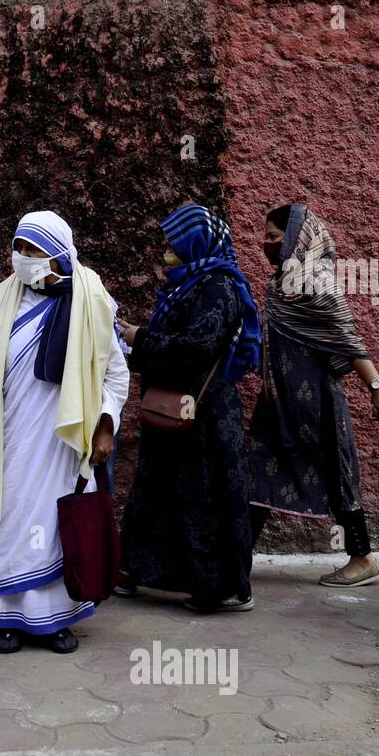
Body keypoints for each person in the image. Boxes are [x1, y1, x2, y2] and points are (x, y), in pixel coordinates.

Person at [0, 211, 128, 654]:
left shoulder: (92, 300)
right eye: (17, 248)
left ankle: (54, 621)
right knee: (0, 519)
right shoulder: (3, 297)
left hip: (60, 441)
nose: (21, 258)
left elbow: (115, 373)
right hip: (5, 437)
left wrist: (106, 425)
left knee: (53, 525)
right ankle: (5, 619)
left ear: (57, 252)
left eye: (32, 250)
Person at [116, 203, 262, 613]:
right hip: (171, 411)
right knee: (159, 490)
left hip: (204, 414)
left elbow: (200, 346)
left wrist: (140, 338)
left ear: (195, 243)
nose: (167, 252)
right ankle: (144, 573)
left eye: (174, 244)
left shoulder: (219, 287)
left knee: (206, 493)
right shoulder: (186, 285)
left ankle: (219, 587)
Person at [247, 205, 379, 586]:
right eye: (265, 237)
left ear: (297, 239)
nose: (266, 245)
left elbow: (346, 337)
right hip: (278, 399)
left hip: (316, 401)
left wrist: (376, 387)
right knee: (255, 465)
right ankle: (235, 554)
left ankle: (362, 557)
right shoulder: (280, 282)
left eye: (274, 238)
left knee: (335, 471)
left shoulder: (315, 280)